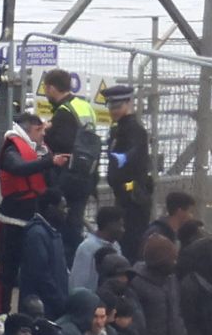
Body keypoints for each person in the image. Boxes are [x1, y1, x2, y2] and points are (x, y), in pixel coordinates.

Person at [0, 113, 68, 331]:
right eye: (40, 130)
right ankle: (1, 314)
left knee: (33, 270)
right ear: (30, 130)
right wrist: (48, 162)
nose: (44, 134)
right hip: (12, 218)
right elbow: (18, 168)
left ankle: (30, 312)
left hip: (34, 219)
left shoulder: (41, 150)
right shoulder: (11, 149)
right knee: (7, 269)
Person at [42, 68, 99, 264]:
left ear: (51, 88)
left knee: (65, 223)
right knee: (76, 219)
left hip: (69, 175)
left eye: (46, 89)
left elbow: (63, 145)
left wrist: (46, 133)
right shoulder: (84, 106)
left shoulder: (64, 112)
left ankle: (67, 265)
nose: (46, 94)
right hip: (88, 172)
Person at [104, 85, 152, 262]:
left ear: (129, 103)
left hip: (133, 196)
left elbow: (131, 164)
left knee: (131, 244)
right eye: (110, 106)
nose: (113, 111)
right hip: (124, 196)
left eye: (117, 106)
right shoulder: (119, 130)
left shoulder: (133, 131)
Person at [20, 189, 70, 319]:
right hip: (41, 309)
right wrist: (59, 302)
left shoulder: (53, 232)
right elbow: (41, 275)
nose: (66, 211)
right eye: (63, 207)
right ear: (50, 208)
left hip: (53, 306)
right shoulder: (37, 234)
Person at [70, 206, 124, 292]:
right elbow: (79, 281)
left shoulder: (116, 246)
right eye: (120, 225)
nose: (123, 230)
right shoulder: (87, 247)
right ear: (110, 225)